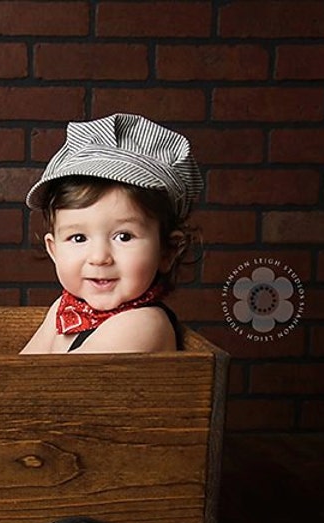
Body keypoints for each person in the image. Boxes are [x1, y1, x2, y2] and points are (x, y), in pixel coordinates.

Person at [20, 114, 202, 354]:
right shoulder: (64, 311)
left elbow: (54, 387)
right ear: (54, 250)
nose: (99, 257)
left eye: (124, 236)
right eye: (78, 238)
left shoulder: (142, 325)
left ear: (167, 250)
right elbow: (17, 376)